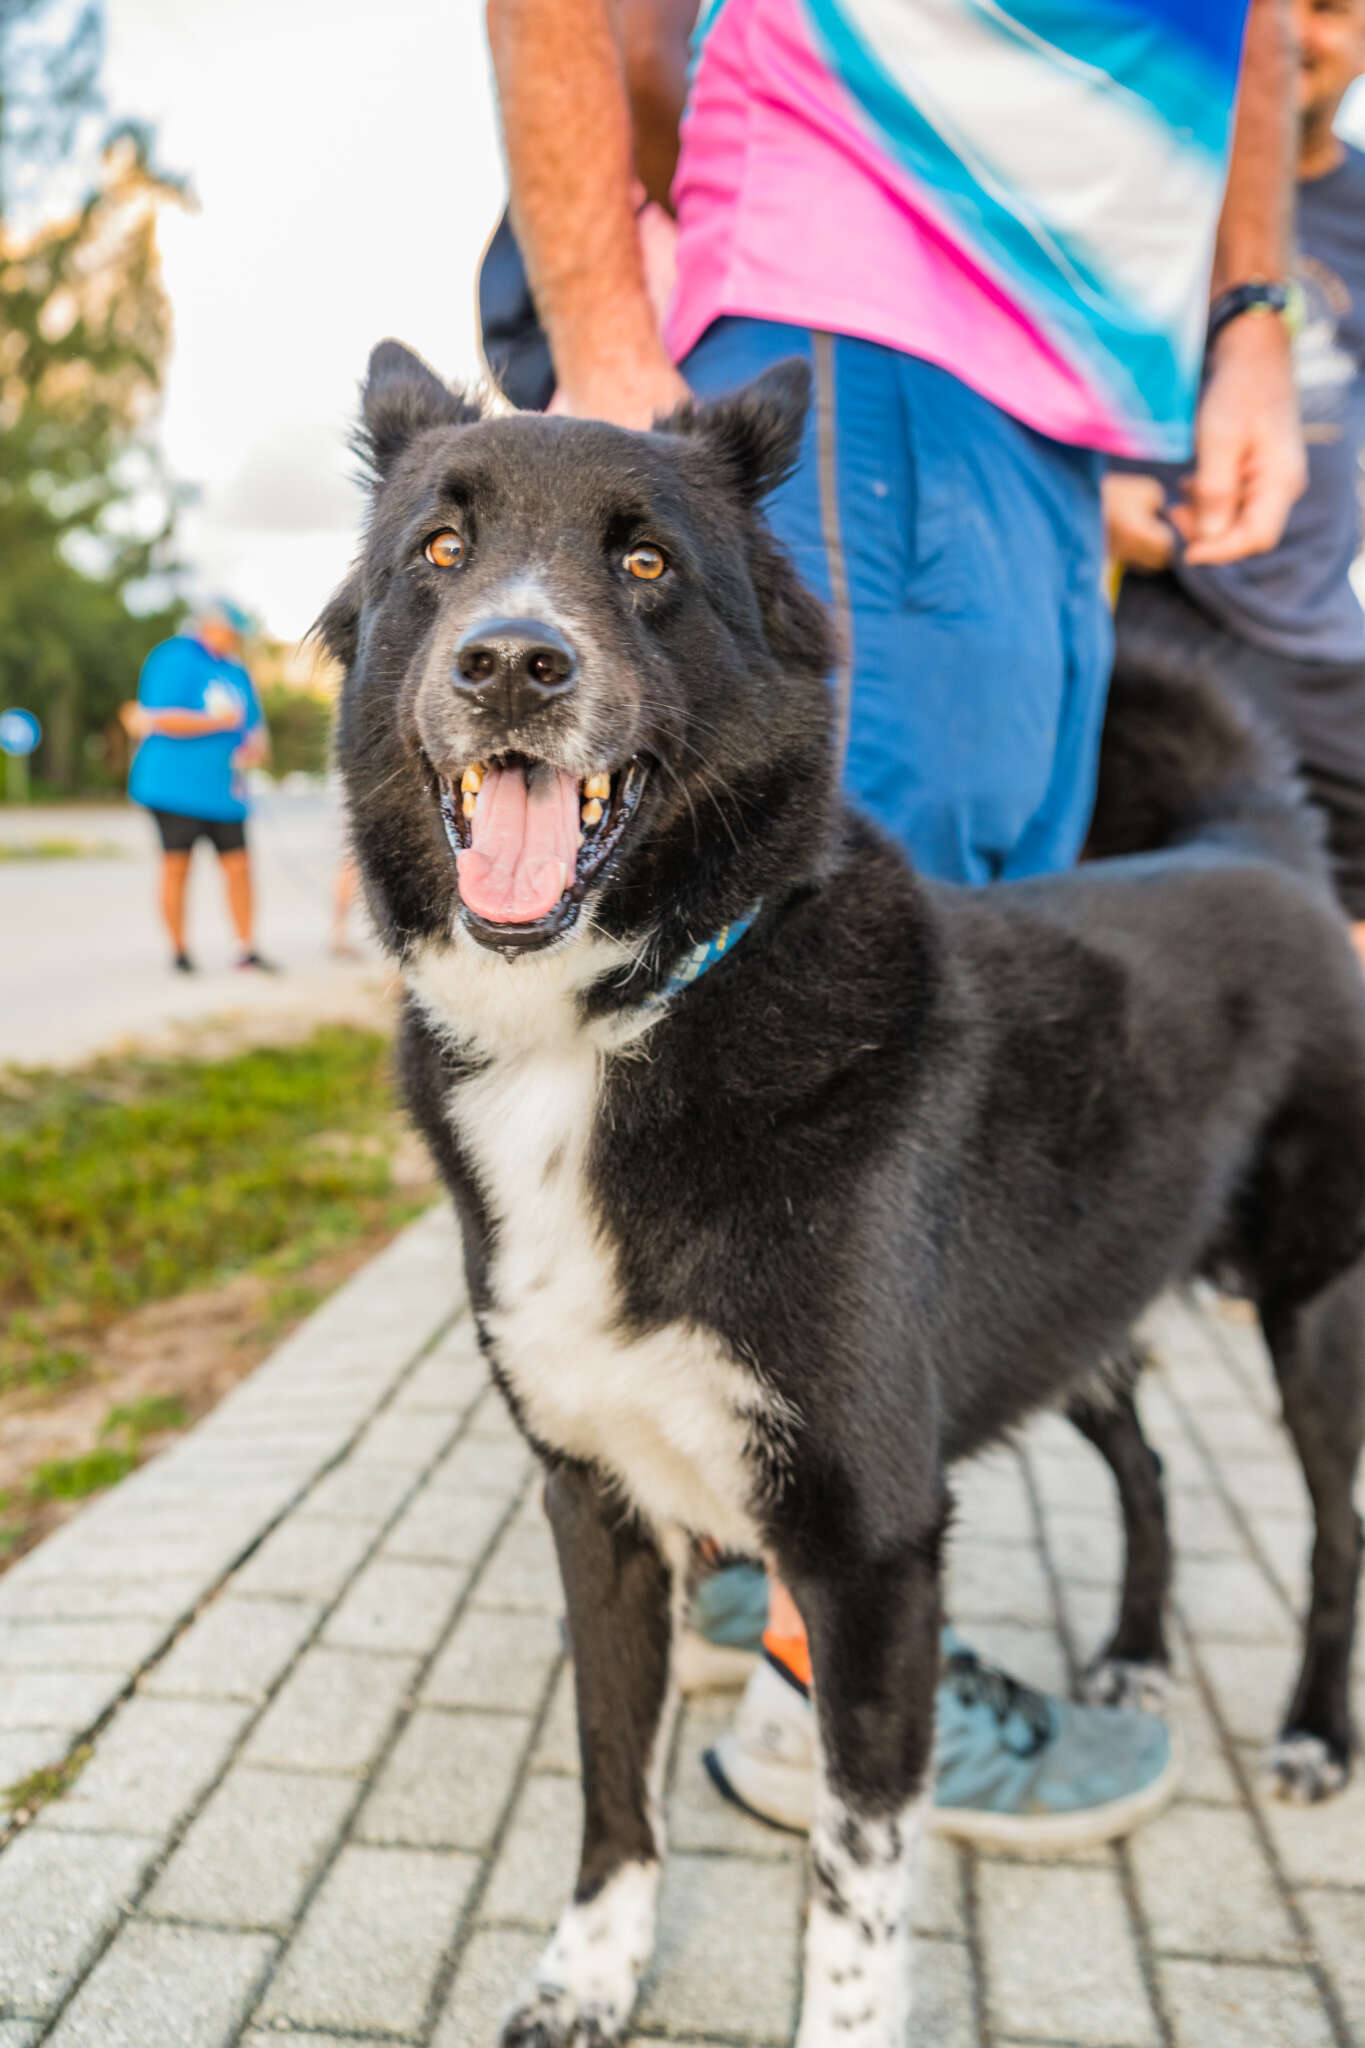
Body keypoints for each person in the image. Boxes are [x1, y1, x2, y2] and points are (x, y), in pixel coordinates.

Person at [485, 0, 1305, 1847]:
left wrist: (1245, 325)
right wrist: (614, 354)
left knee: (940, 1014)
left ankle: (739, 1552)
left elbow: (1255, 34)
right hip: (865, 309)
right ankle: (816, 1686)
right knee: (843, 1037)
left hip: (1059, 398)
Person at [1107, 0, 1365, 963]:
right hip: (1159, 607)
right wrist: (1098, 495)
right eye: (1272, 7)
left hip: (1320, 630)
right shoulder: (1145, 178)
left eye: (1331, 10)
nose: (1296, 31)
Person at [122, 600, 276, 973]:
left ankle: (246, 948)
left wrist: (255, 747)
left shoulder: (236, 670)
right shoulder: (173, 656)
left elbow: (255, 728)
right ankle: (179, 951)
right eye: (231, 631)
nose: (235, 639)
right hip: (172, 786)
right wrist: (218, 723)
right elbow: (156, 718)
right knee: (178, 866)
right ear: (210, 625)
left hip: (225, 791)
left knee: (239, 867)